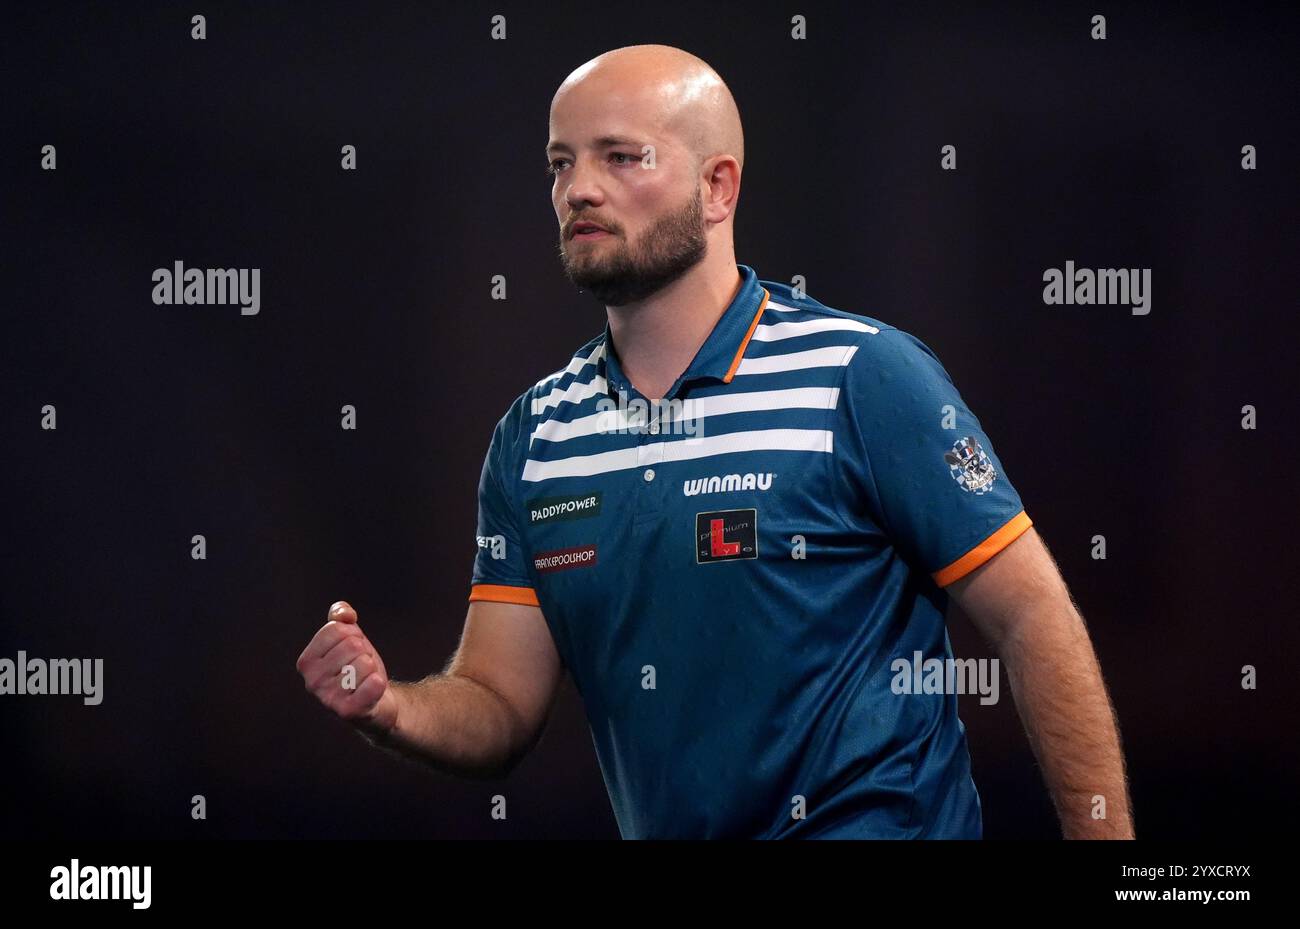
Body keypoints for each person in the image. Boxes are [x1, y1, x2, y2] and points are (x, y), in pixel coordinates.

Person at [296, 44, 1134, 839]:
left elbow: (1033, 615)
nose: (578, 189)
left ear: (717, 186)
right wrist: (389, 707)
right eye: (560, 162)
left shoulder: (862, 374)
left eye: (621, 157)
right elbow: (497, 705)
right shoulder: (537, 435)